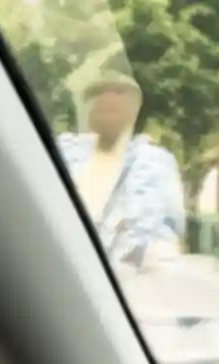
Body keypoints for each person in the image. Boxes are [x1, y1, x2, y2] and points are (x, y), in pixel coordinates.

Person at [57, 70, 186, 274]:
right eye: (98, 93)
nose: (107, 98)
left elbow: (162, 243)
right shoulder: (63, 152)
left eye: (118, 93)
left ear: (135, 109)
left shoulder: (154, 164)